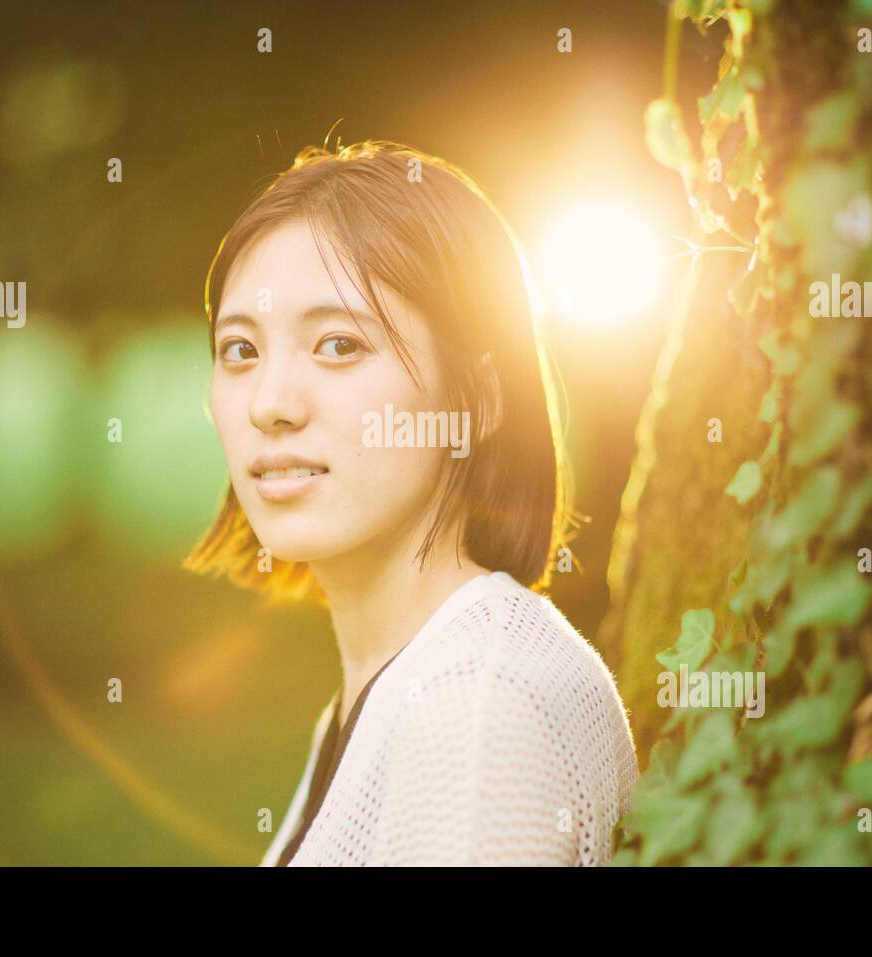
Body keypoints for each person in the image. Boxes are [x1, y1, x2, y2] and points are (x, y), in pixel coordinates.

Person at [184, 138, 638, 865]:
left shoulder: (478, 705)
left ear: (479, 397)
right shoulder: (394, 691)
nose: (270, 403)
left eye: (337, 344)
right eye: (241, 350)